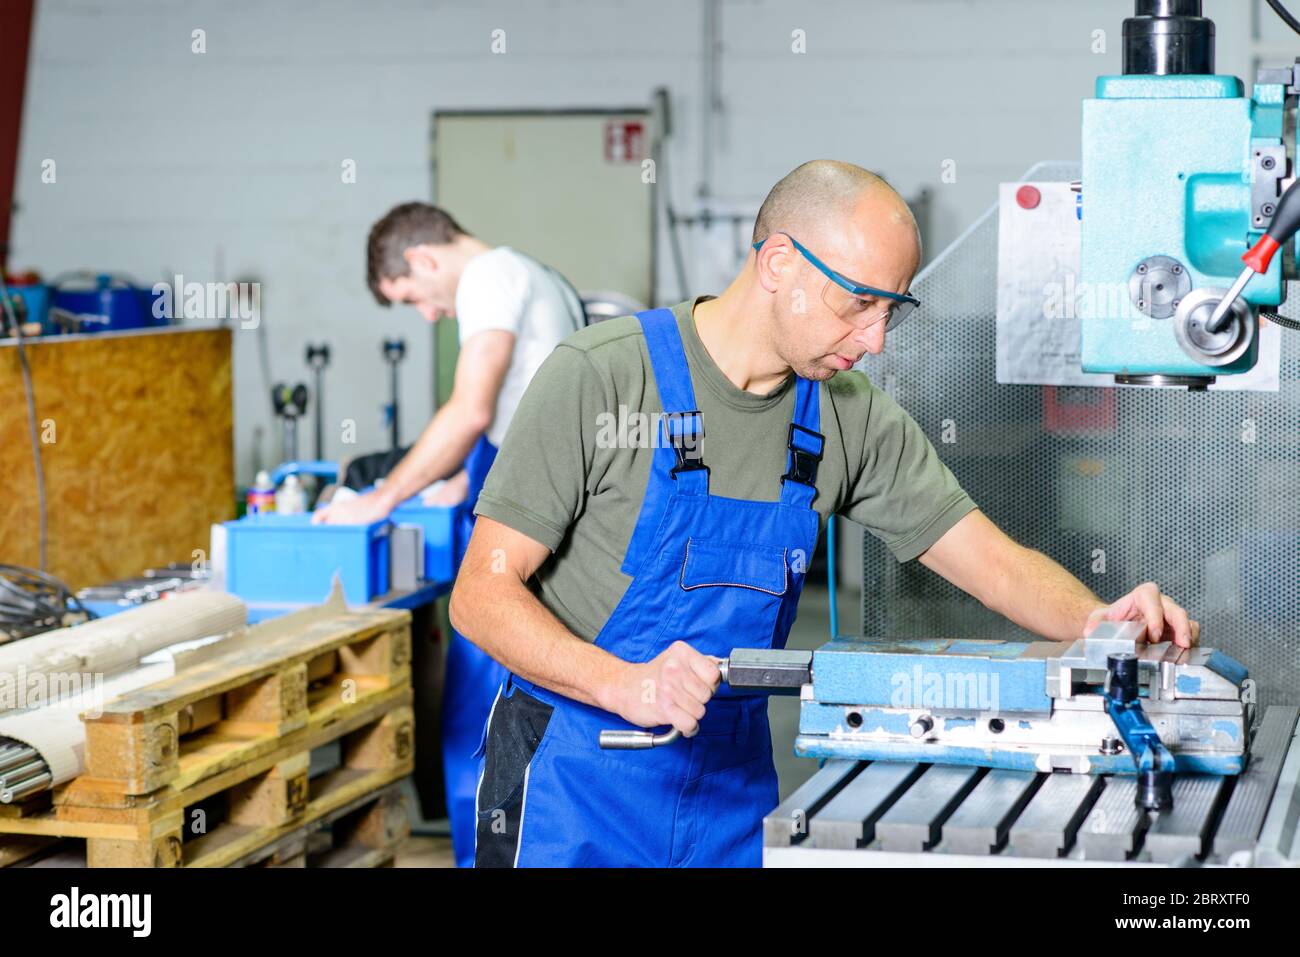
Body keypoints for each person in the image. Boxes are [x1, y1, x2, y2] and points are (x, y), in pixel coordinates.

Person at [450, 160, 1199, 868]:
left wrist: (1100, 622)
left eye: (891, 311)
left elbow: (995, 564)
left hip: (730, 790)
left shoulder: (847, 418)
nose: (873, 341)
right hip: (573, 781)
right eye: (858, 302)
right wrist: (622, 682)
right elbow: (481, 595)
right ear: (778, 264)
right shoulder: (602, 375)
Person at [318, 202, 583, 867]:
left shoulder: (491, 276)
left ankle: (480, 857)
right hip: (542, 498)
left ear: (421, 259)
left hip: (527, 523)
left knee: (479, 706)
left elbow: (473, 408)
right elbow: (532, 412)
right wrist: (466, 482)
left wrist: (378, 499)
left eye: (413, 297)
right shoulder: (534, 272)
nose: (428, 314)